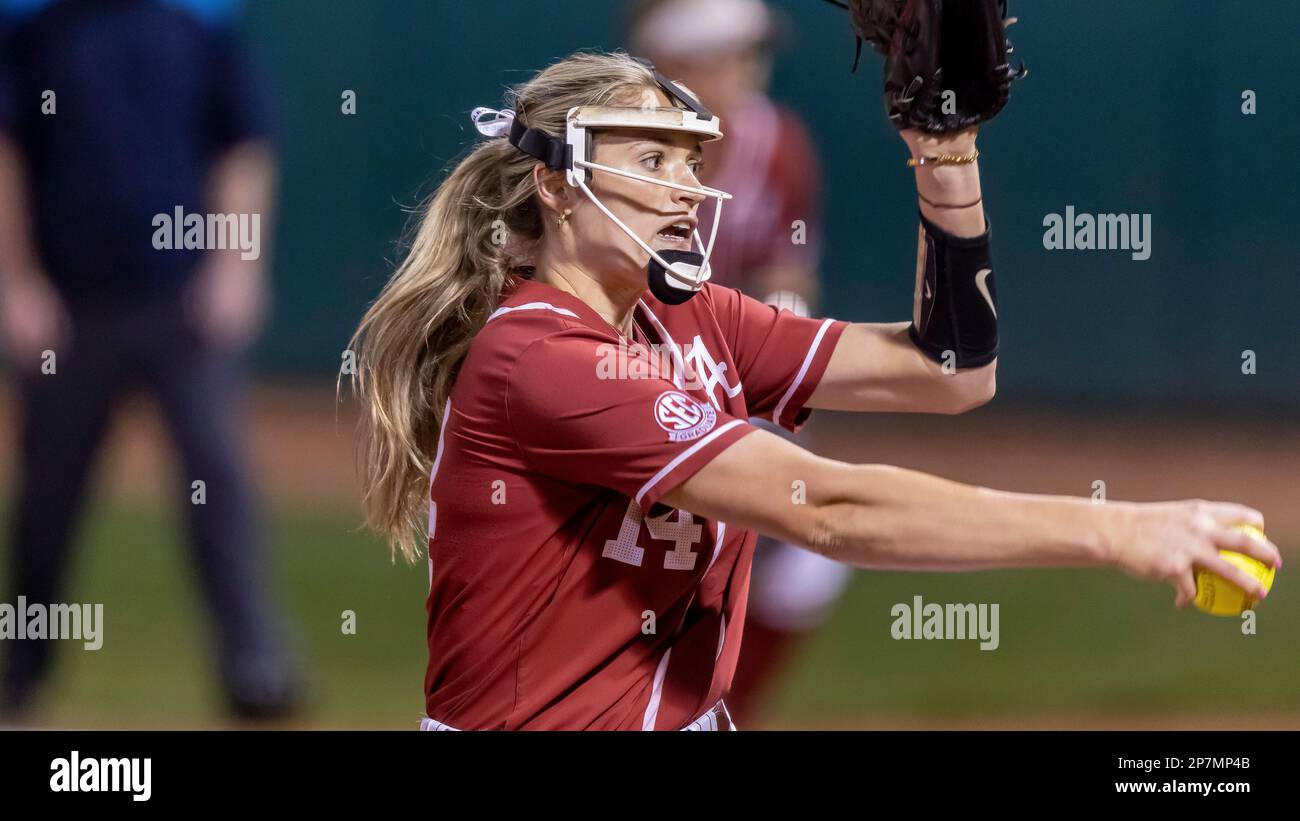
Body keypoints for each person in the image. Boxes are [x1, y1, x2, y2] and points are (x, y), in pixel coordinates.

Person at [348, 51, 1278, 731]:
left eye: (690, 162)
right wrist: (1116, 527)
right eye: (651, 160)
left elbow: (950, 373)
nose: (684, 190)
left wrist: (946, 156)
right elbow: (824, 507)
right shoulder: (537, 356)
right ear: (555, 186)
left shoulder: (696, 319)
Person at [0, 0, 299, 720]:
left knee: (216, 483)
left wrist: (237, 265)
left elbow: (244, 144)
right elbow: (5, 151)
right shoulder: (31, 22)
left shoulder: (203, 20)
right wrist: (16, 280)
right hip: (70, 307)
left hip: (183, 302)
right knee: (47, 498)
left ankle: (254, 667)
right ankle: (21, 674)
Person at [628, 0, 848, 724]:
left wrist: (769, 358)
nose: (744, 72)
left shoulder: (776, 142)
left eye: (749, 54)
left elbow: (789, 280)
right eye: (725, 55)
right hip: (617, 381)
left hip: (720, 378)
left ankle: (720, 711)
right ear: (674, 63)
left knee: (815, 543)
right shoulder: (619, 147)